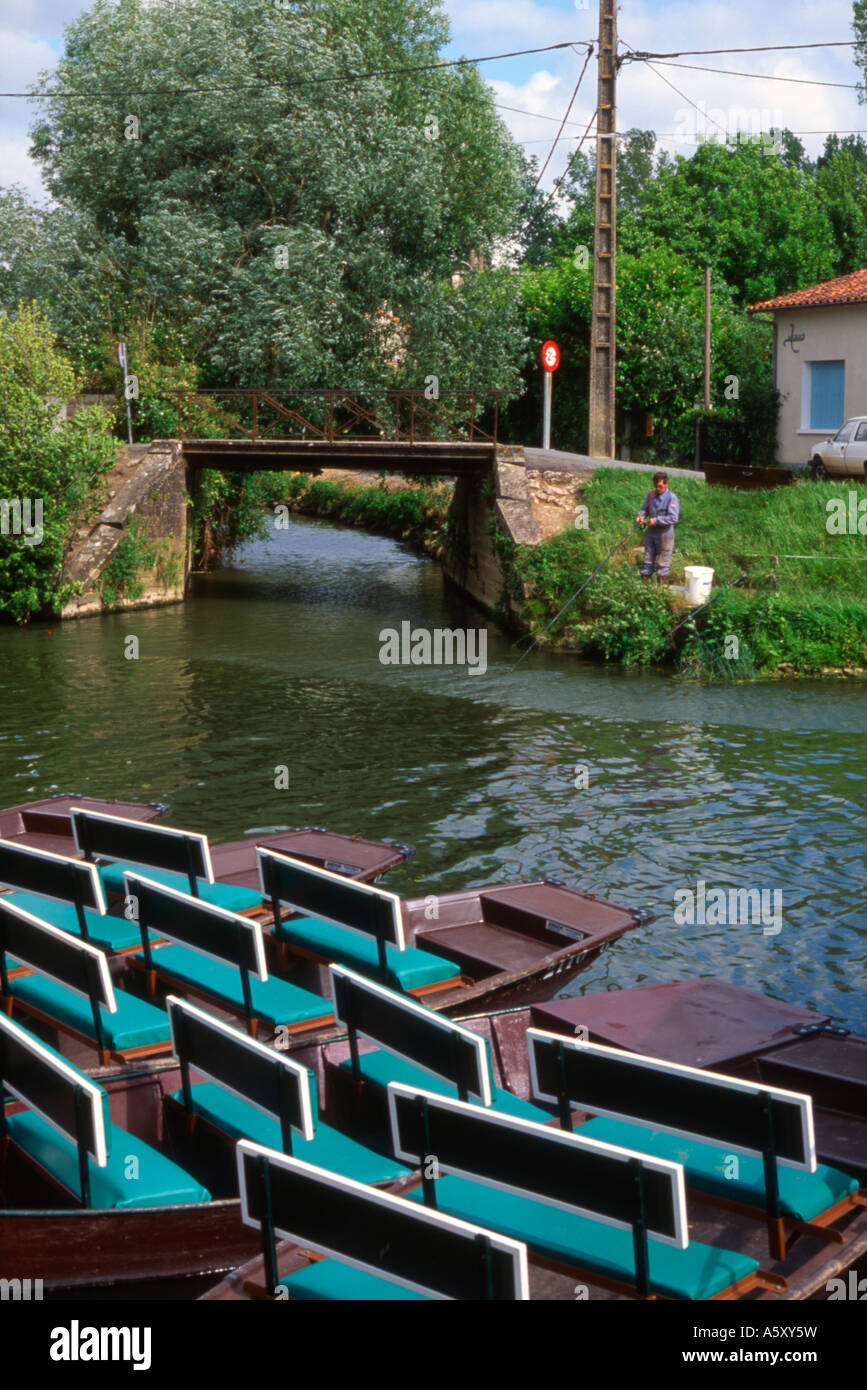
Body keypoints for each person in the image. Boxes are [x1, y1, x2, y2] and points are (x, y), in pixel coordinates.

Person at [635, 471, 679, 581]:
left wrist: (656, 520)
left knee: (663, 562)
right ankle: (644, 583)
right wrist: (640, 515)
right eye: (656, 486)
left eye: (660, 486)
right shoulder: (651, 495)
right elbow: (644, 509)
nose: (658, 489)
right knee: (647, 558)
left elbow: (673, 517)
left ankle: (660, 588)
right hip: (651, 532)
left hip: (665, 534)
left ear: (666, 484)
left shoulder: (671, 498)